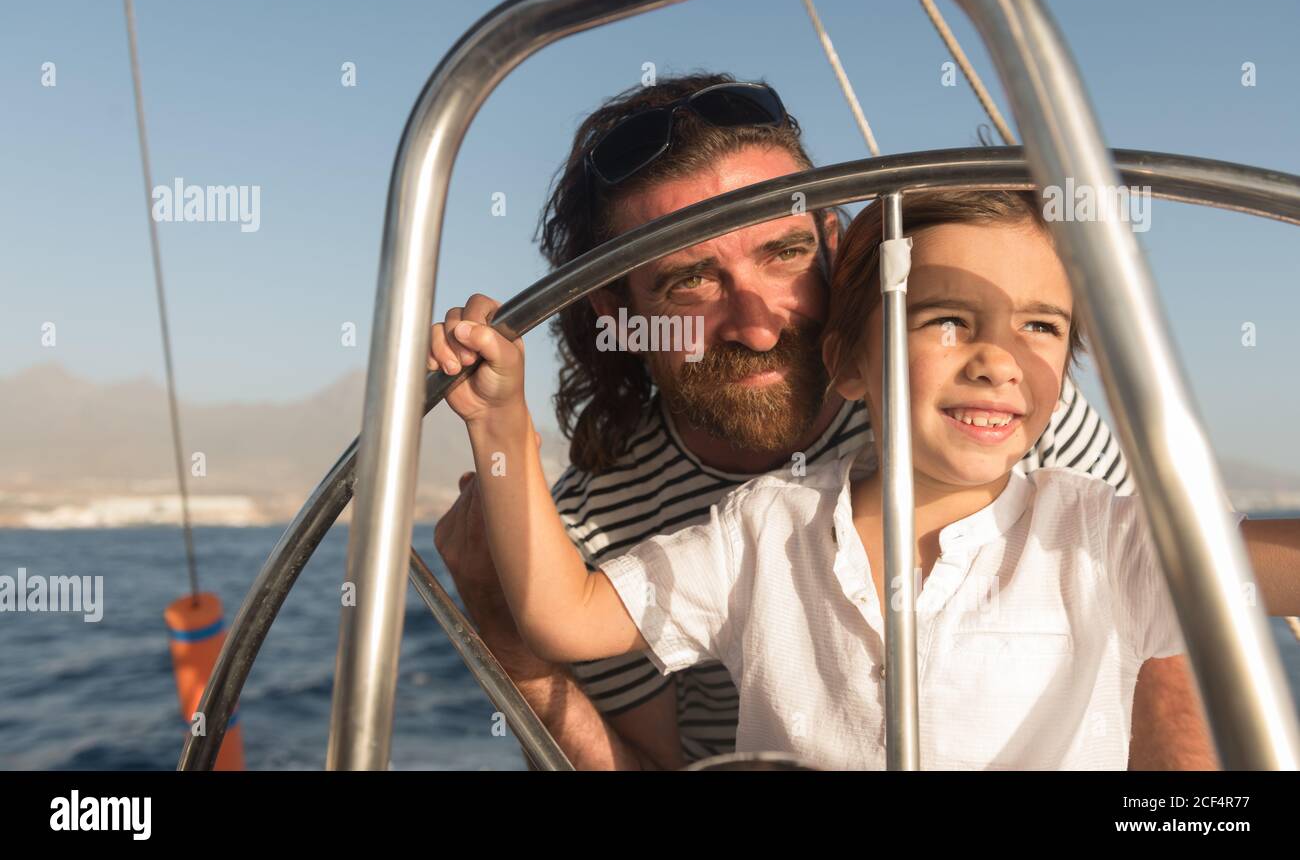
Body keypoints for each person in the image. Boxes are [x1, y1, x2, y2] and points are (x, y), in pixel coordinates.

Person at [431, 73, 1217, 769]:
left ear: (834, 246)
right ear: (618, 309)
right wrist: (505, 631)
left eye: (784, 254)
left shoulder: (993, 406)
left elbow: (1159, 662)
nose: (758, 324)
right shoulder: (589, 533)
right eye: (691, 283)